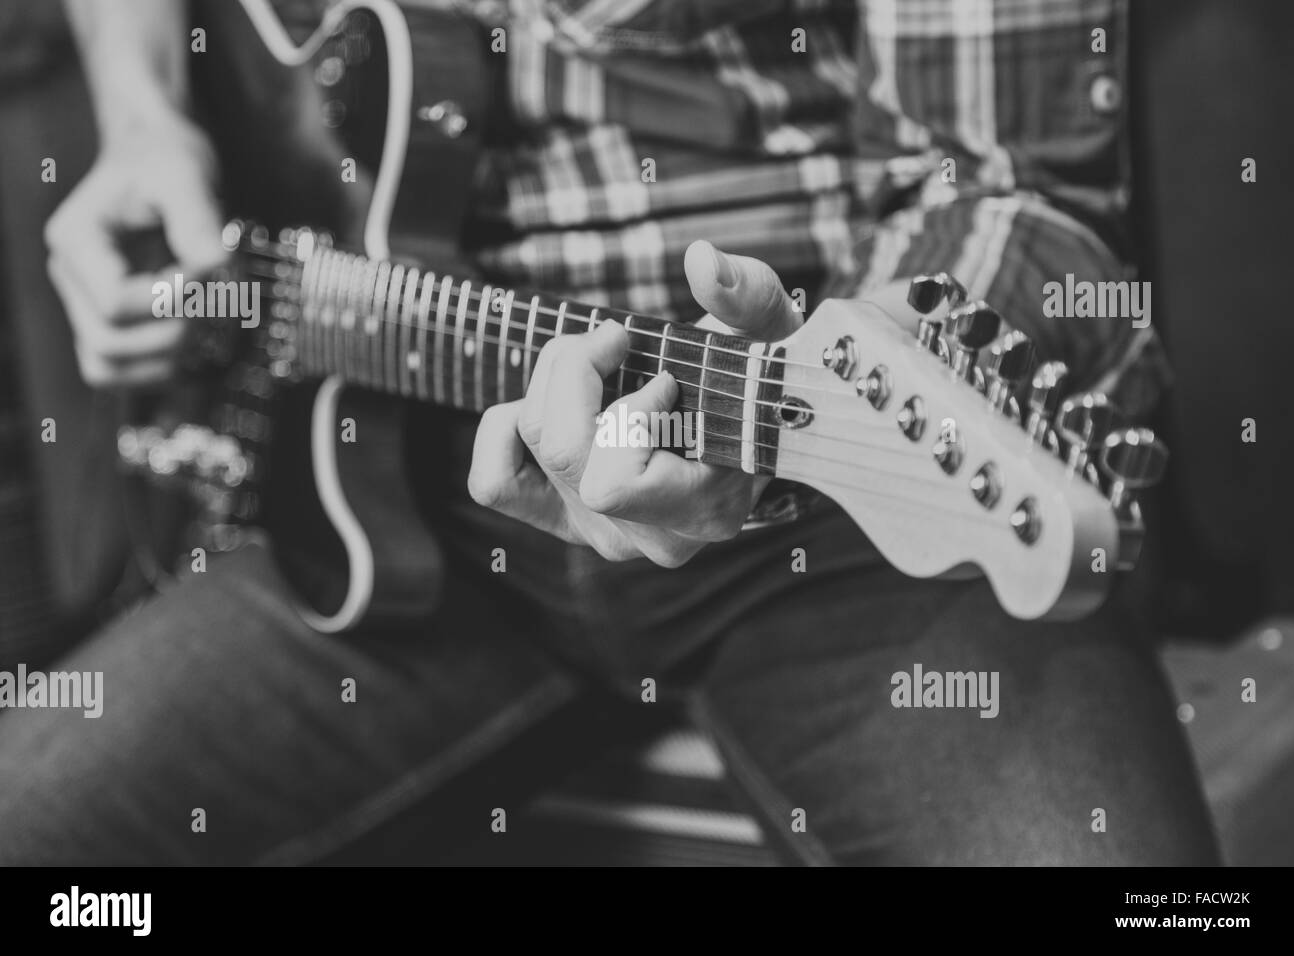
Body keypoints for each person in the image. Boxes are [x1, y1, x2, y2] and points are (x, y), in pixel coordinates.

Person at [2, 0, 1218, 865]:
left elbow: (1012, 193)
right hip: (379, 504)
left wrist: (899, 353)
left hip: (829, 486)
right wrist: (145, 114)